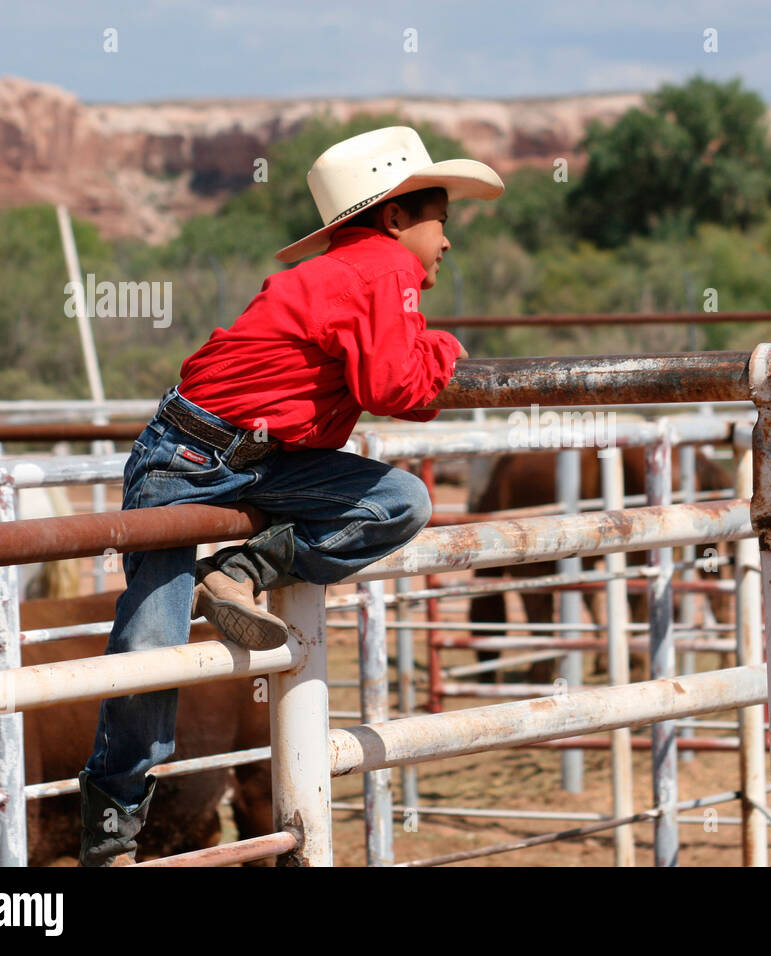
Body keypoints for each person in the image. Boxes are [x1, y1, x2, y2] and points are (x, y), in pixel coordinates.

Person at [78, 126, 503, 865]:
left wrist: (425, 344)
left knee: (153, 644)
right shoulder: (381, 268)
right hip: (200, 455)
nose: (448, 242)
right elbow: (395, 386)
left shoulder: (358, 269)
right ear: (397, 218)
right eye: (442, 220)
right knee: (396, 503)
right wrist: (448, 350)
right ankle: (113, 817)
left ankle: (116, 824)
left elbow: (380, 374)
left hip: (231, 451)